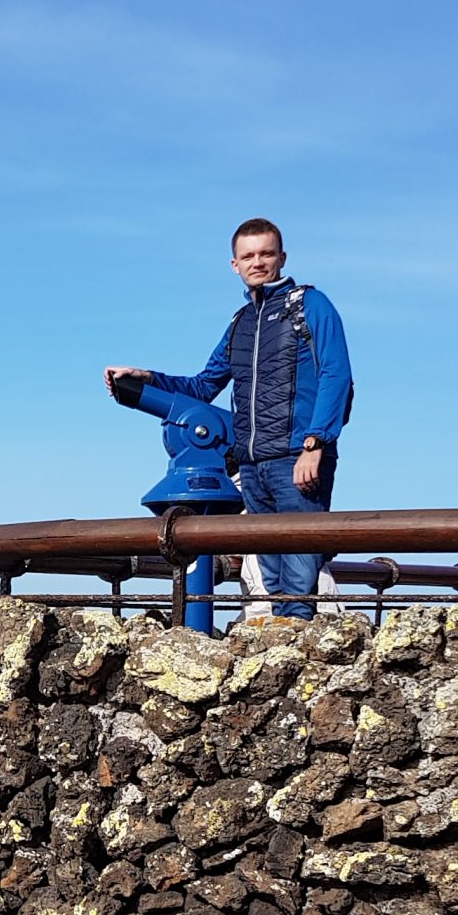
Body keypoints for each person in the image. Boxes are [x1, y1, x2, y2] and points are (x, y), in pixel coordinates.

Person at [106, 217, 353, 620]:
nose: (258, 262)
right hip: (252, 465)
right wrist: (148, 378)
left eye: (266, 254)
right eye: (248, 256)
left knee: (300, 578)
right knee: (271, 579)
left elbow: (336, 375)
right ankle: (279, 656)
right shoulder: (240, 323)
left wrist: (316, 444)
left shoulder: (310, 305)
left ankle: (301, 647)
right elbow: (205, 386)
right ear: (234, 265)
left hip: (297, 459)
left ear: (282, 257)